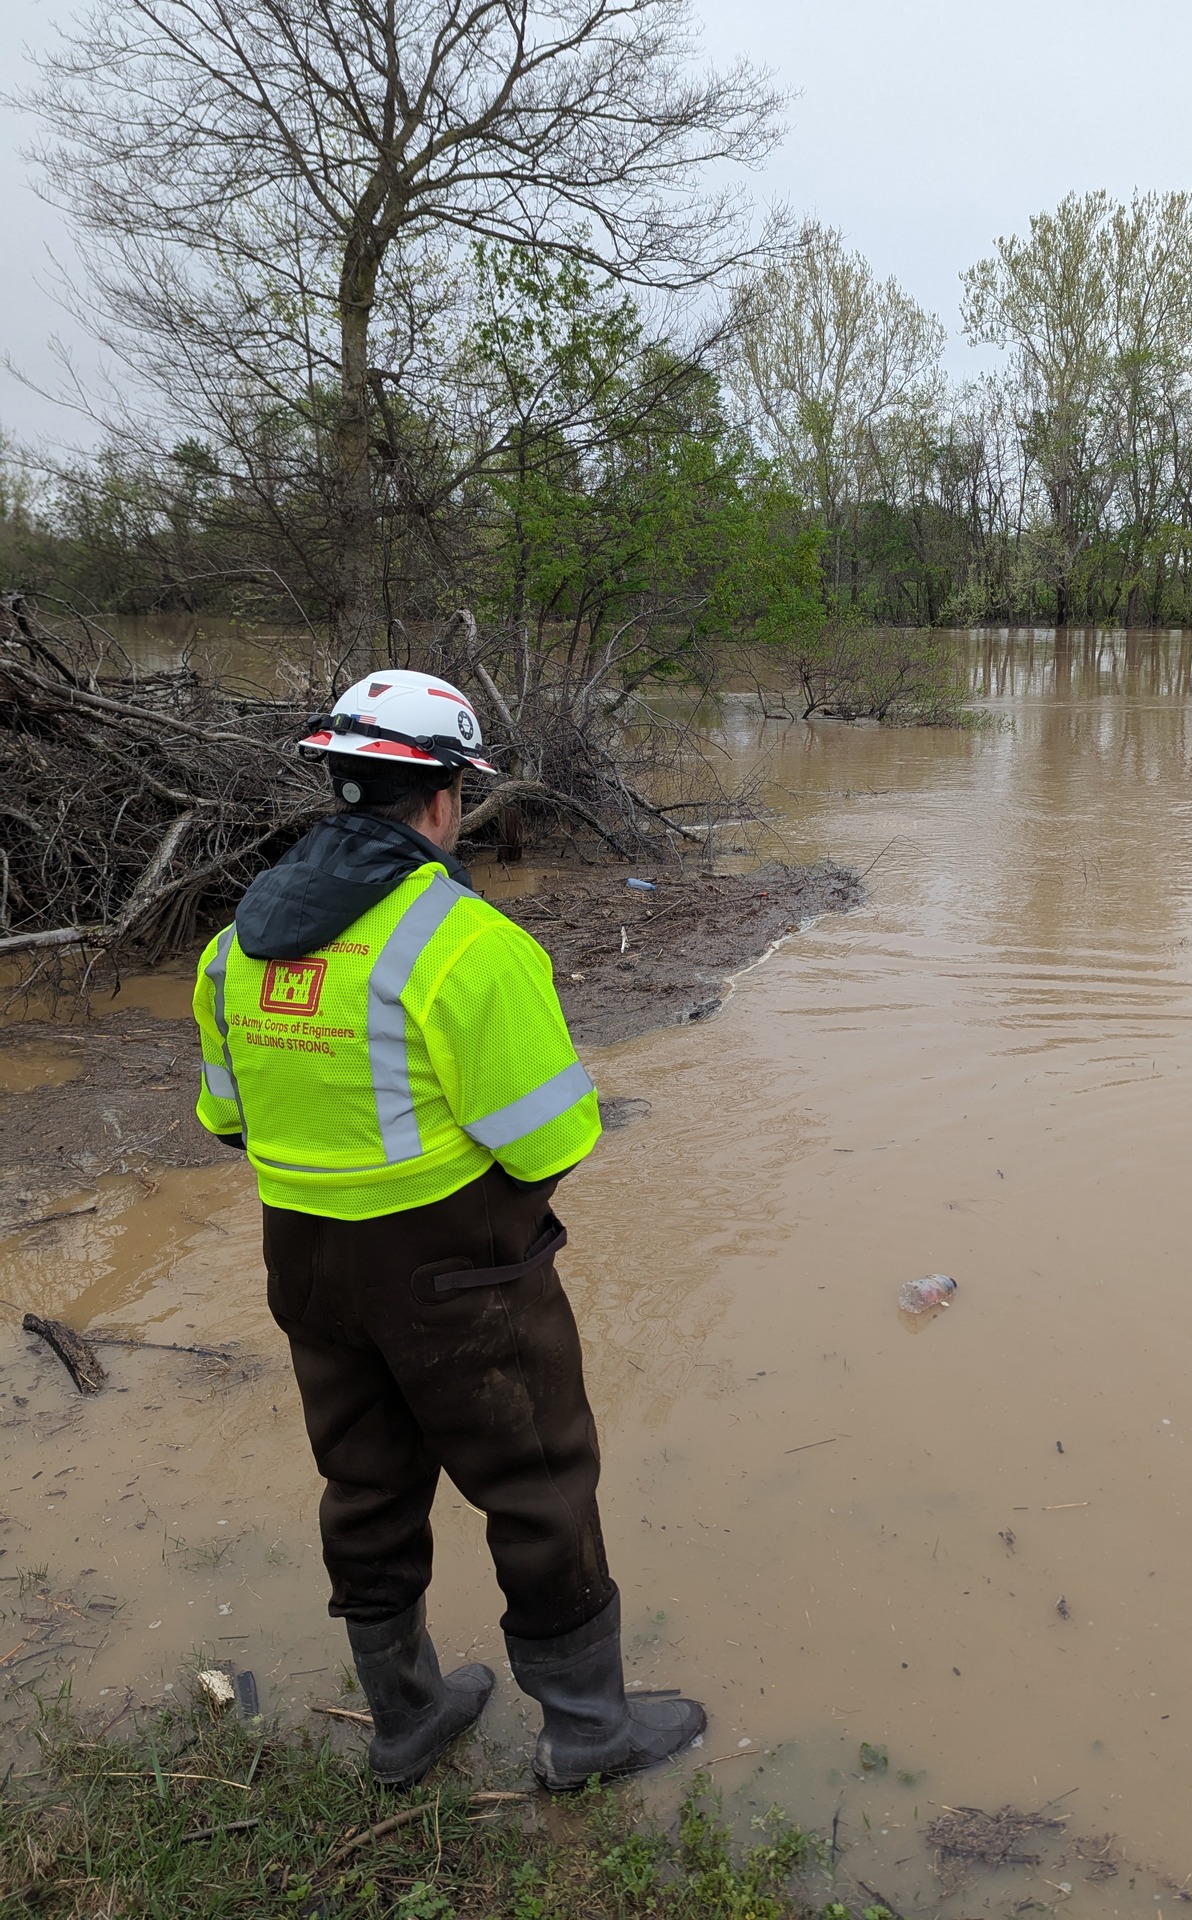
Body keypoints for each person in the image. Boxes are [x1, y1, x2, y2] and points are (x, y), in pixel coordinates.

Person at [191, 669, 705, 1790]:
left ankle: (407, 1718)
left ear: (341, 783)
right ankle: (586, 1731)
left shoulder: (236, 946)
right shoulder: (466, 944)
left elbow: (227, 1120)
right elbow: (548, 1138)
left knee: (366, 1483)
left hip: (306, 1266)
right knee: (538, 1478)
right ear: (441, 799)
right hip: (456, 1274)